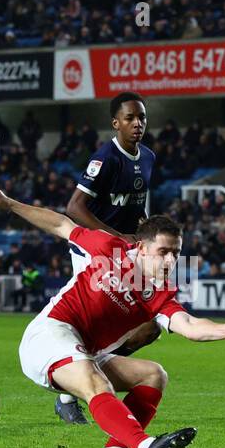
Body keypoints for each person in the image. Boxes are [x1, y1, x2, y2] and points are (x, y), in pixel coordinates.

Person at [0, 184, 225, 448]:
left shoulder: (160, 292)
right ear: (142, 248)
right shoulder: (108, 248)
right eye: (164, 252)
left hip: (87, 351)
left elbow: (189, 325)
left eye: (176, 253)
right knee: (96, 381)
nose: (171, 261)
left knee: (153, 375)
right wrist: (9, 203)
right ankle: (145, 446)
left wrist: (224, 330)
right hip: (49, 336)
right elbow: (62, 223)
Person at [55, 91, 162, 425]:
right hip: (92, 251)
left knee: (149, 328)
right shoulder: (105, 158)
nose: (137, 124)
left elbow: (138, 205)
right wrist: (115, 237)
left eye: (141, 117)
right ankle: (67, 391)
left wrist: (146, 235)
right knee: (97, 324)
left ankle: (86, 376)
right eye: (130, 118)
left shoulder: (148, 157)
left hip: (127, 253)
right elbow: (74, 208)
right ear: (116, 123)